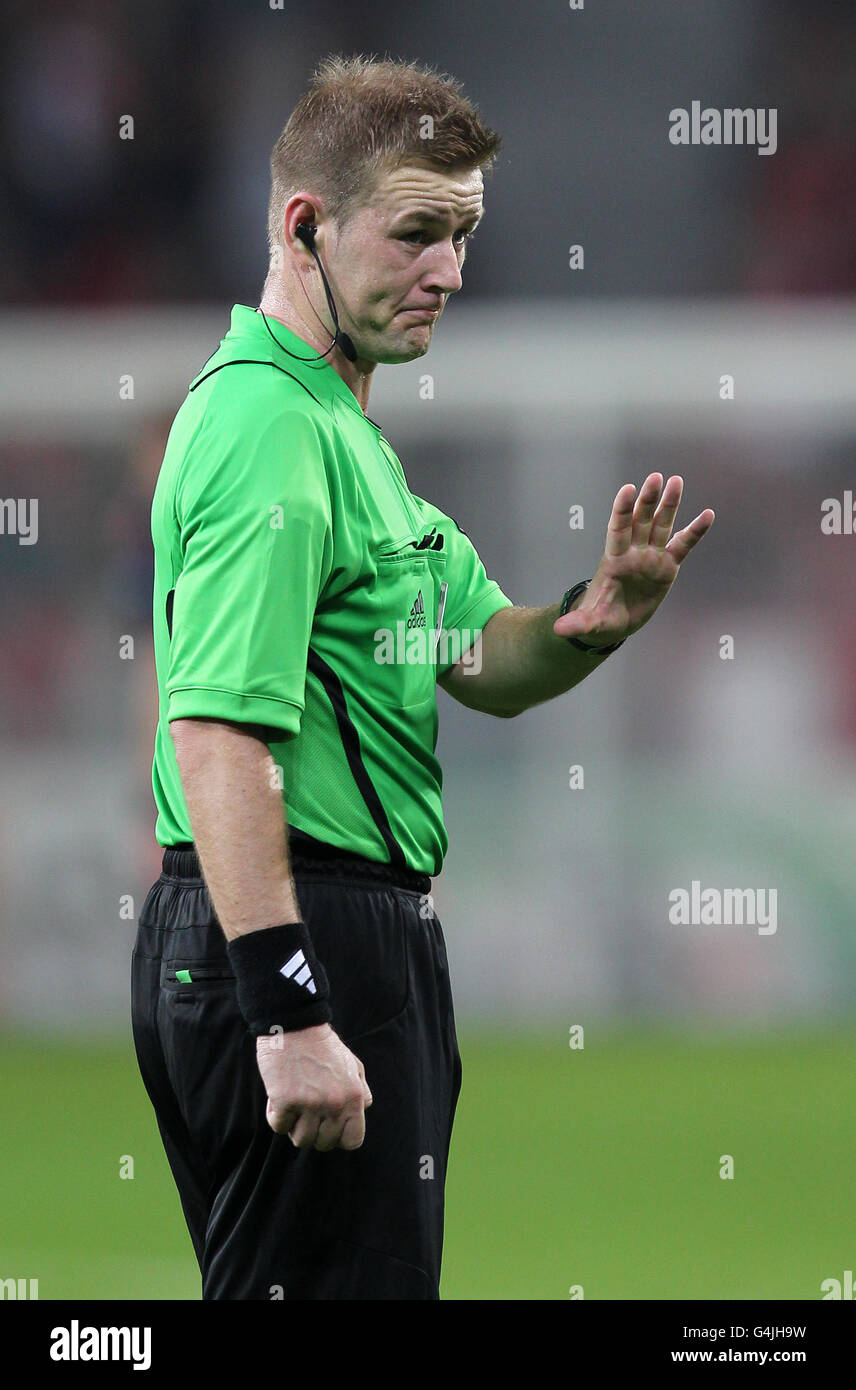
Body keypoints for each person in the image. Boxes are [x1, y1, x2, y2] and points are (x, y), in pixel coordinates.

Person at [131, 53, 714, 1302]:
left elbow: (477, 659)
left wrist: (592, 617)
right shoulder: (267, 430)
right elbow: (218, 738)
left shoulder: (346, 442)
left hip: (342, 935)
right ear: (304, 226)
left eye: (461, 234)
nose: (448, 268)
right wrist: (287, 1011)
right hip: (302, 935)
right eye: (415, 232)